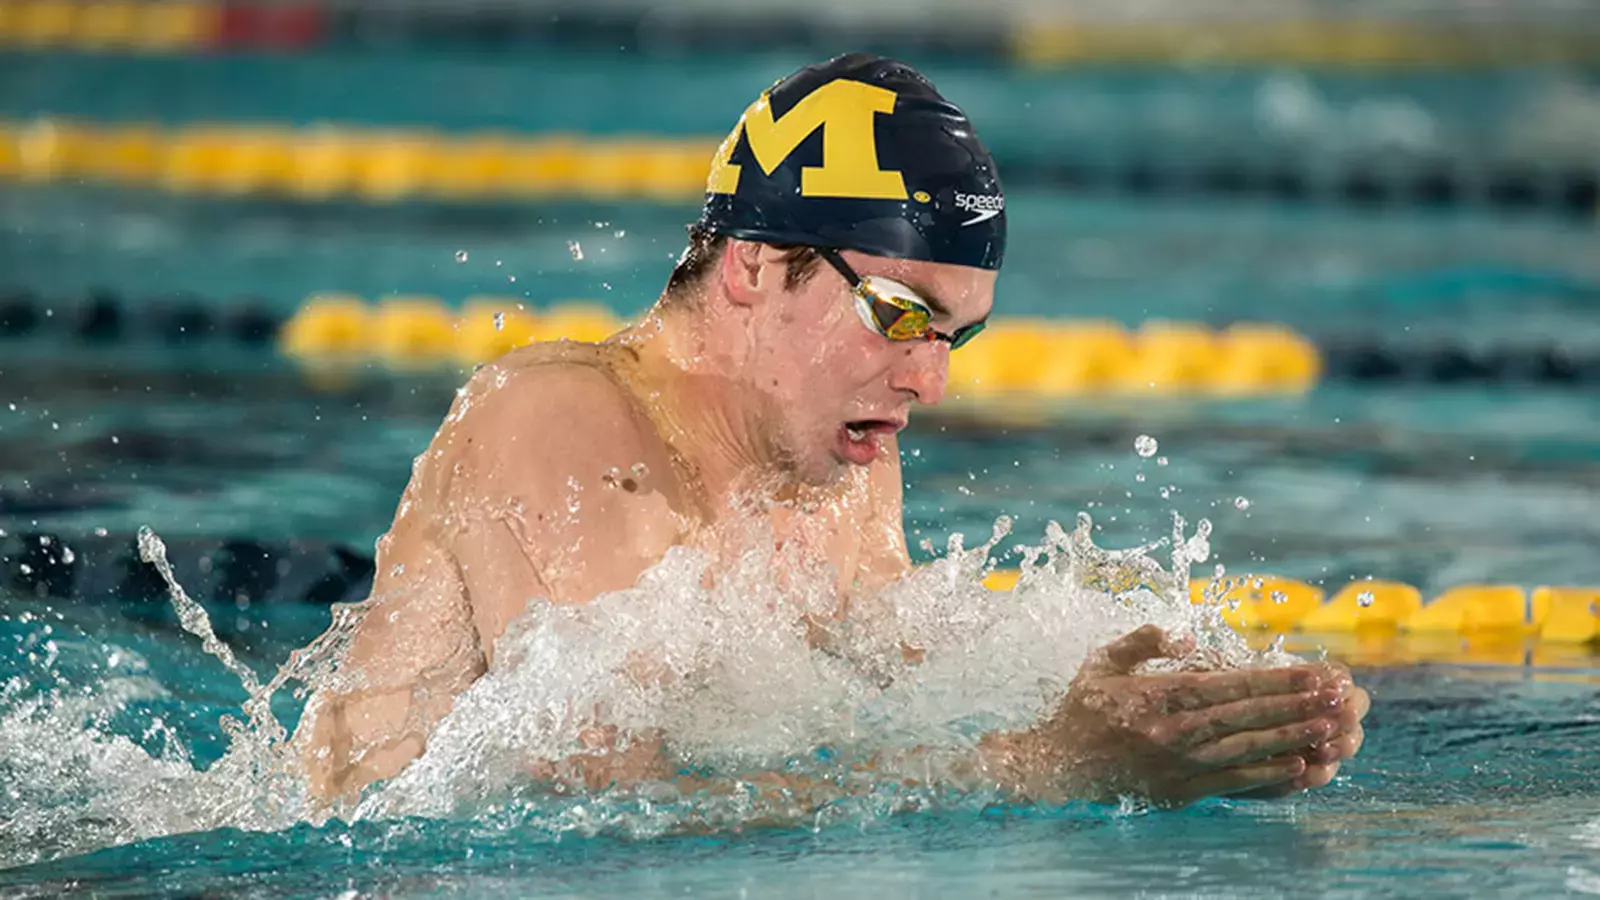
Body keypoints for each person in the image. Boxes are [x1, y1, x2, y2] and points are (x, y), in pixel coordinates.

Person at [294, 53, 1369, 811]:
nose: (930, 381)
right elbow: (600, 798)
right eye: (901, 316)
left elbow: (901, 692)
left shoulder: (839, 457)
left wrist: (1189, 712)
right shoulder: (558, 418)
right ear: (752, 264)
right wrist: (1042, 768)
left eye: (957, 336)